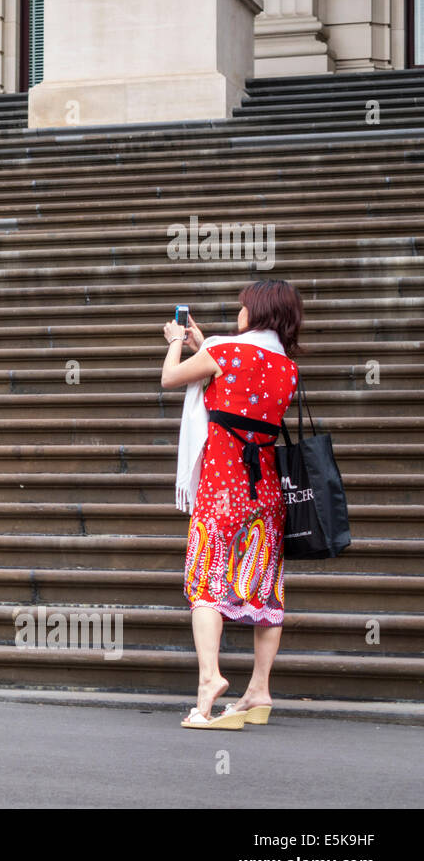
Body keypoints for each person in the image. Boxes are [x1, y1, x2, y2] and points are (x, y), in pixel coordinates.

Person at [161, 279, 304, 729]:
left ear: (256, 311)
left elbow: (172, 378)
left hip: (223, 488)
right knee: (265, 589)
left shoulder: (224, 353)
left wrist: (175, 344)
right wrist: (208, 343)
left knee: (206, 582)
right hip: (267, 494)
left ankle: (209, 684)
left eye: (243, 306)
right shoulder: (288, 368)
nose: (239, 312)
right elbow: (245, 388)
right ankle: (259, 691)